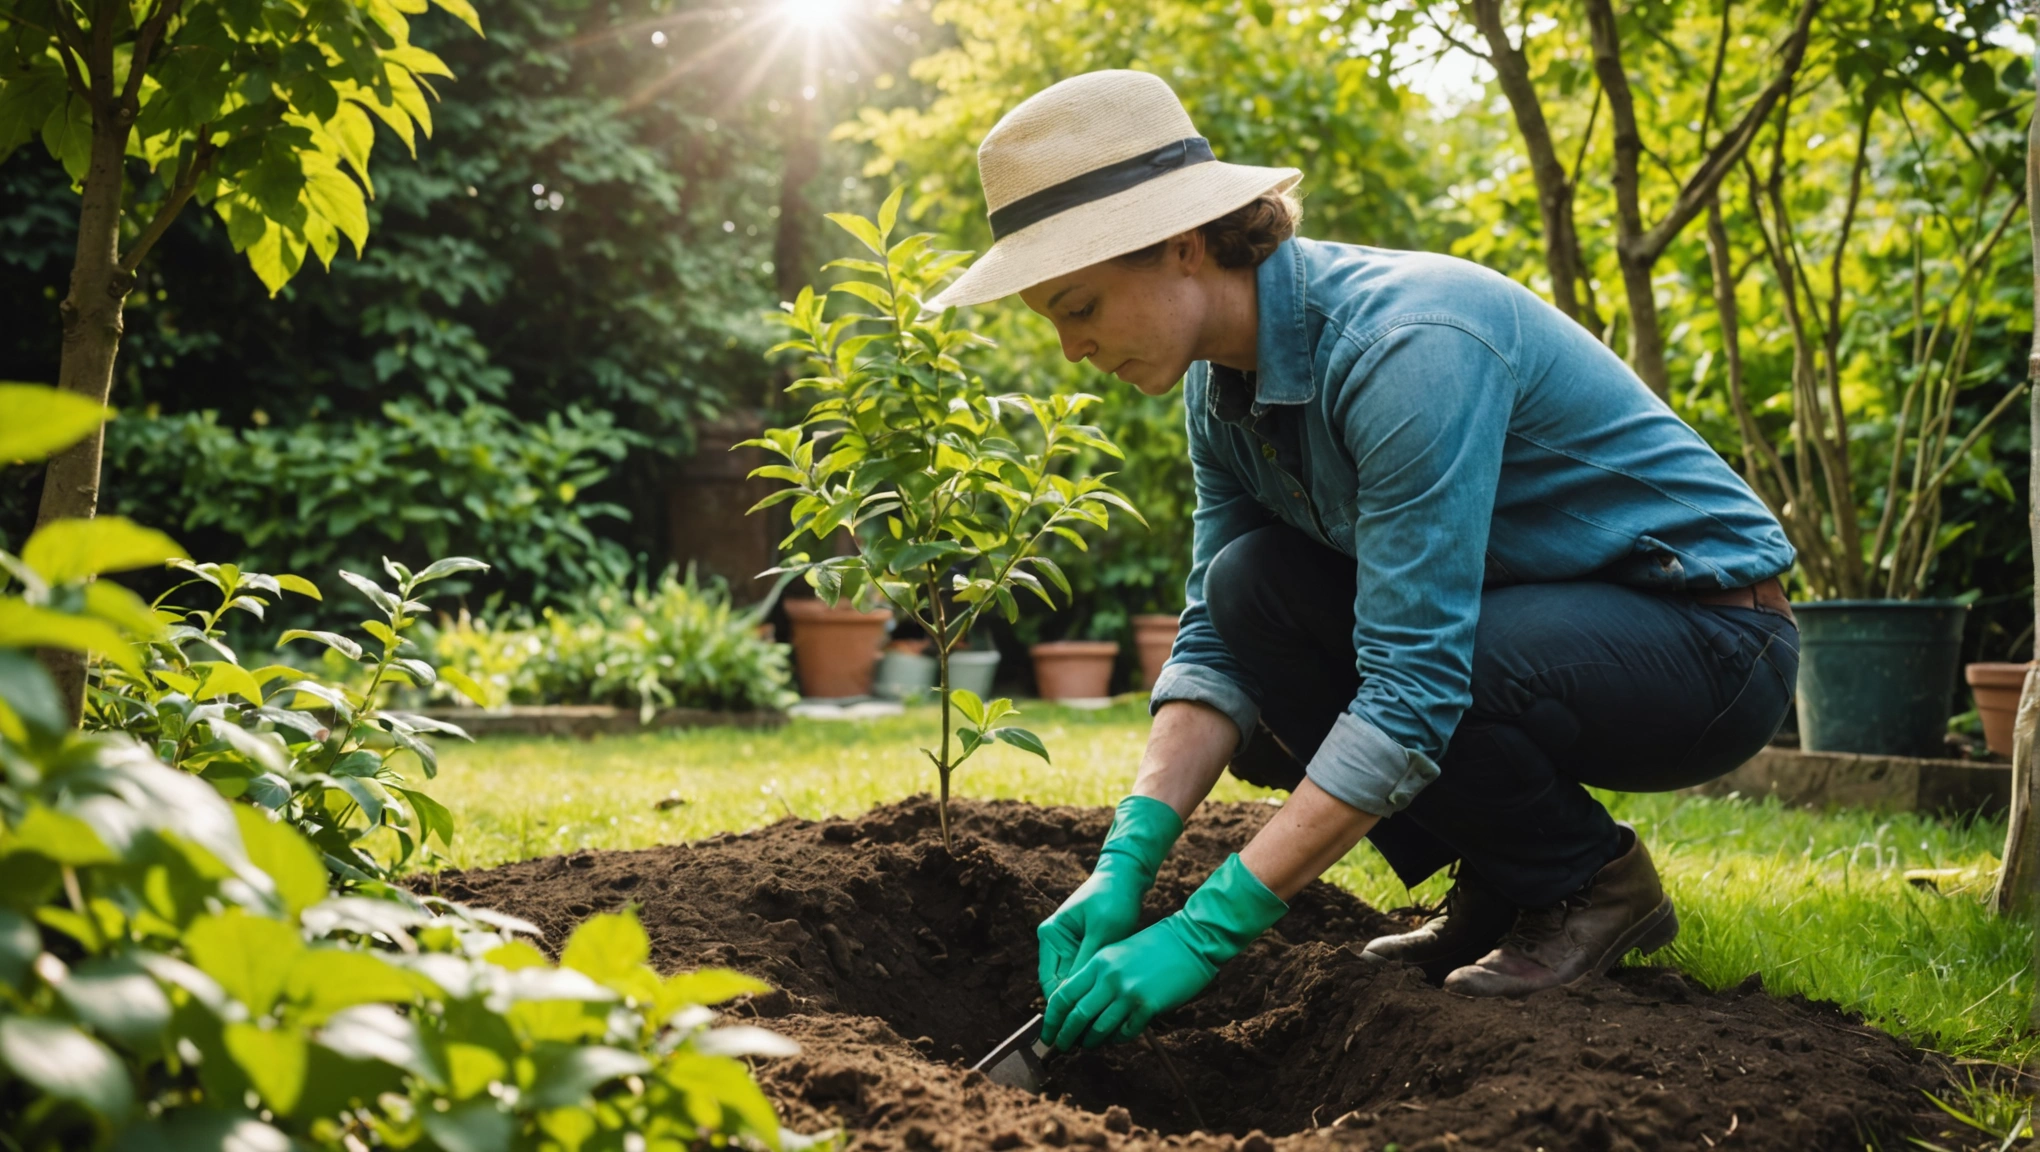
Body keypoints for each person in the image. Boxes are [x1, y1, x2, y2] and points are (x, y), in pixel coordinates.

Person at [924, 69, 1799, 1052]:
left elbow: (1417, 684)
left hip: (1712, 641)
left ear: (1179, 244)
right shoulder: (1220, 387)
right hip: (1542, 626)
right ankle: (1507, 875)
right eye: (1052, 318)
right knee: (1250, 589)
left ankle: (1588, 881)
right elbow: (1220, 626)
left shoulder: (1403, 346)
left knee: (1422, 668)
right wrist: (1129, 855)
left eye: (1078, 305)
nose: (1071, 347)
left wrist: (1207, 931)